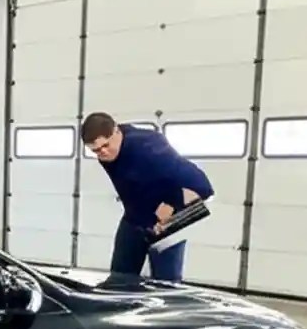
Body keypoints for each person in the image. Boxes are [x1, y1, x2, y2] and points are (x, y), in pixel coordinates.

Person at [80, 112, 214, 282]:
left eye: (105, 146)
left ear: (116, 132)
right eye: (95, 151)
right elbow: (136, 185)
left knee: (166, 284)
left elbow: (199, 183)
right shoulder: (105, 155)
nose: (102, 153)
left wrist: (172, 201)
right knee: (119, 278)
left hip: (168, 221)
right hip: (135, 216)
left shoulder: (149, 145)